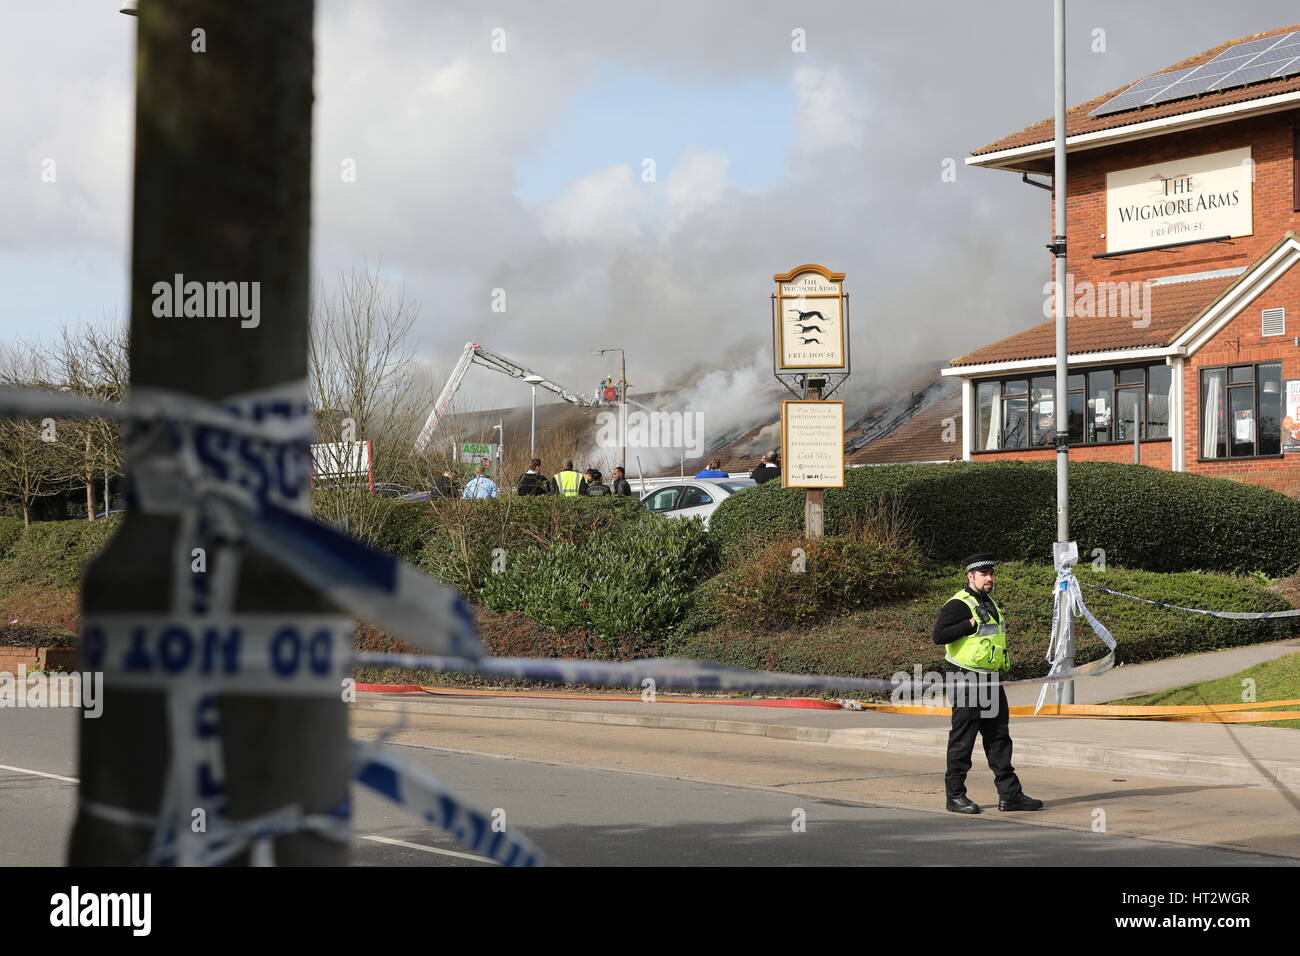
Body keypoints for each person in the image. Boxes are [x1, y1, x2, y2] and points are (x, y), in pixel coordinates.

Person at [931, 553, 1042, 814]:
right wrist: (968, 624)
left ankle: (1010, 795)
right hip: (966, 678)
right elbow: (939, 636)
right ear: (971, 577)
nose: (990, 578)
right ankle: (955, 796)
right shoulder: (959, 604)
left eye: (991, 574)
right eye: (984, 574)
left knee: (998, 738)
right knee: (963, 739)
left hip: (990, 679)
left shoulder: (989, 602)